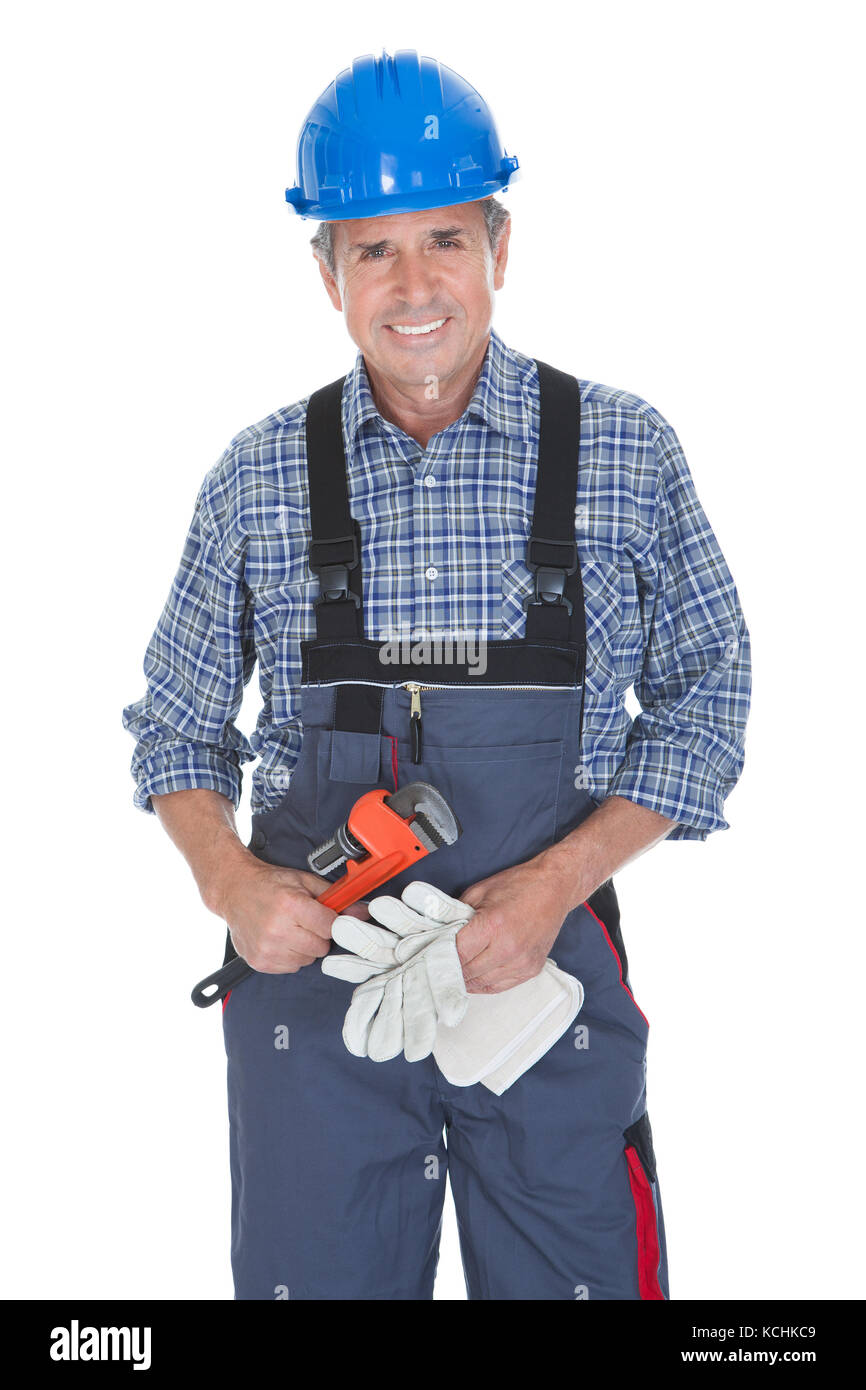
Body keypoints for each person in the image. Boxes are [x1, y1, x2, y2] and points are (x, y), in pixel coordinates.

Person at [122, 49, 751, 1301]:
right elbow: (178, 730)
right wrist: (234, 885)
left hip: (546, 985)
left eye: (444, 241)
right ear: (326, 273)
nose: (414, 287)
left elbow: (707, 700)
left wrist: (552, 883)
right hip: (318, 1016)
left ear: (499, 248)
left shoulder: (619, 451)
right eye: (372, 251)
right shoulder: (258, 478)